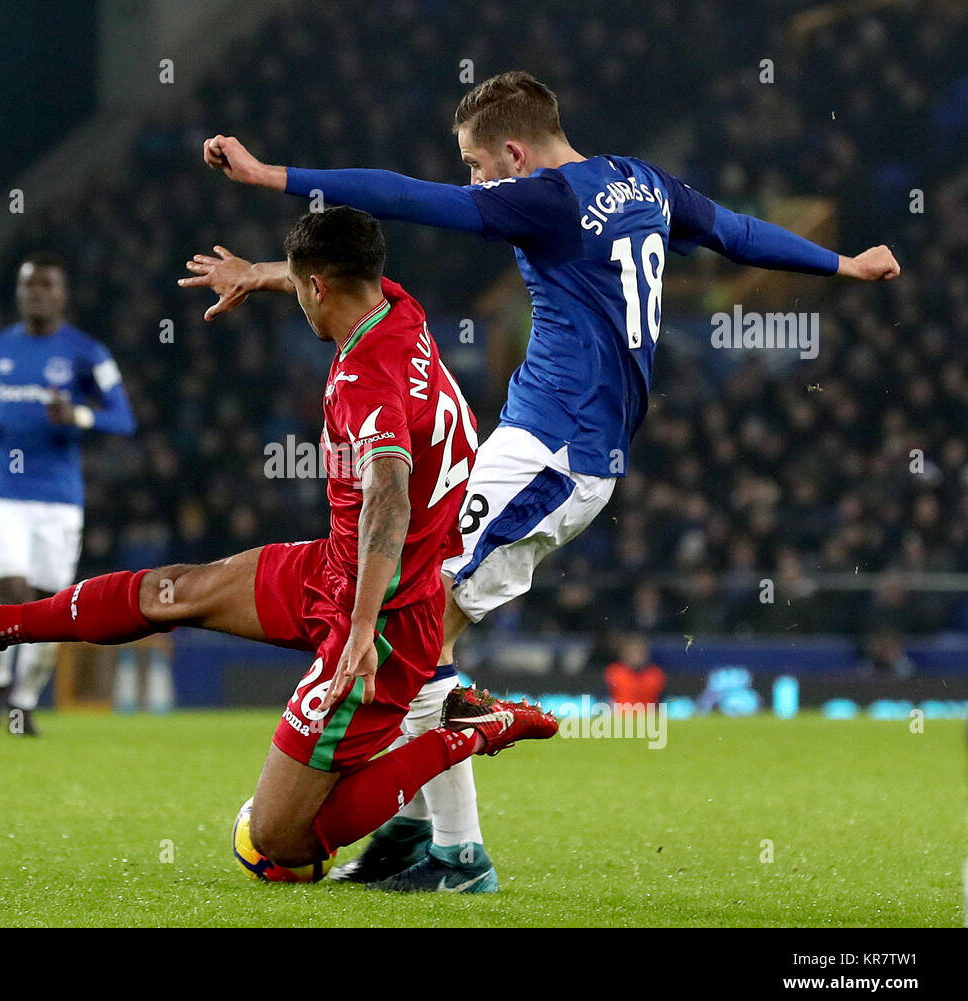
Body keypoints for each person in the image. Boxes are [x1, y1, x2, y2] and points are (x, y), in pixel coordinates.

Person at [196, 69, 901, 887]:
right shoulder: (642, 181)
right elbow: (738, 232)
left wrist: (273, 175)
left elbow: (404, 195)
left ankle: (452, 853)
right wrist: (842, 263)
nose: (473, 181)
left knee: (416, 622)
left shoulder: (545, 198)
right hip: (535, 442)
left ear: (514, 151)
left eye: (475, 163)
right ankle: (416, 835)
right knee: (418, 624)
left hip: (558, 456)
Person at [0, 208, 557, 880]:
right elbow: (321, 275)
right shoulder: (398, 307)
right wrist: (257, 275)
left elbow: (388, 497)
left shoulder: (369, 379)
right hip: (333, 565)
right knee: (176, 590)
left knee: (274, 845)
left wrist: (363, 626)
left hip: (384, 611)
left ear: (319, 290)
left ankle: (472, 729)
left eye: (300, 284)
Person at [0, 252, 136, 735]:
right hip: (4, 491)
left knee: (50, 606)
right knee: (7, 588)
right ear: (18, 293)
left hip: (58, 499)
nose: (36, 293)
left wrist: (77, 415)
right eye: (28, 285)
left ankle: (23, 700)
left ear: (62, 294)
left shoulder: (86, 352)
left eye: (46, 286)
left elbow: (123, 418)